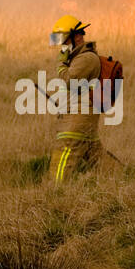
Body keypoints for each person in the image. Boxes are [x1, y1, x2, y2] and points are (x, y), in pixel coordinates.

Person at [47, 14, 103, 181]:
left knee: (63, 153)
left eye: (64, 41)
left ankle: (55, 193)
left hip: (79, 117)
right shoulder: (78, 58)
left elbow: (69, 80)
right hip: (79, 114)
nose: (62, 46)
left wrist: (61, 64)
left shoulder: (86, 58)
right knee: (97, 159)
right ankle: (118, 183)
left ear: (77, 36)